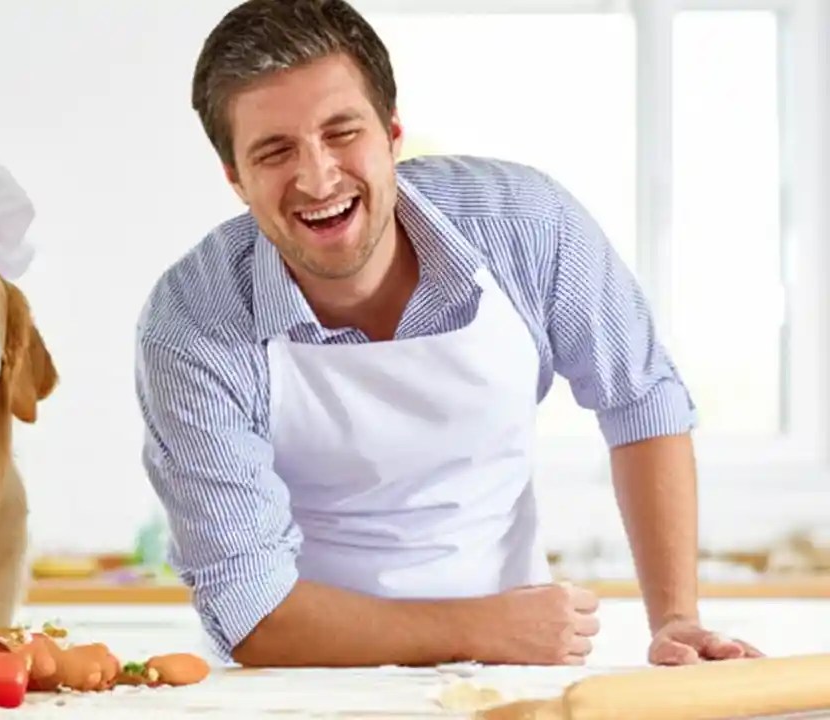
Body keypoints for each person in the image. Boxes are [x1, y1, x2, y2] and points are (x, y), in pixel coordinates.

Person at [134, 0, 763, 669]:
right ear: (235, 177)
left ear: (392, 133)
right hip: (297, 679)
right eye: (274, 151)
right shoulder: (191, 323)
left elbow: (641, 400)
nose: (317, 178)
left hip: (517, 673)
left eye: (342, 133)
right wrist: (483, 630)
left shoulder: (526, 224)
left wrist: (675, 617)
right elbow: (252, 615)